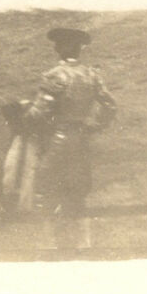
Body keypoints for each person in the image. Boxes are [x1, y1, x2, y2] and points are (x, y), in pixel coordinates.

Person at [24, 27, 117, 249]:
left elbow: (39, 113)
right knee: (77, 193)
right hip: (81, 141)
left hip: (57, 141)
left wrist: (21, 114)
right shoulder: (91, 75)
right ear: (79, 49)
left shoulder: (56, 75)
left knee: (45, 192)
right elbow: (110, 105)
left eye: (59, 44)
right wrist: (94, 126)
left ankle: (48, 247)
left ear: (60, 48)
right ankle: (84, 245)